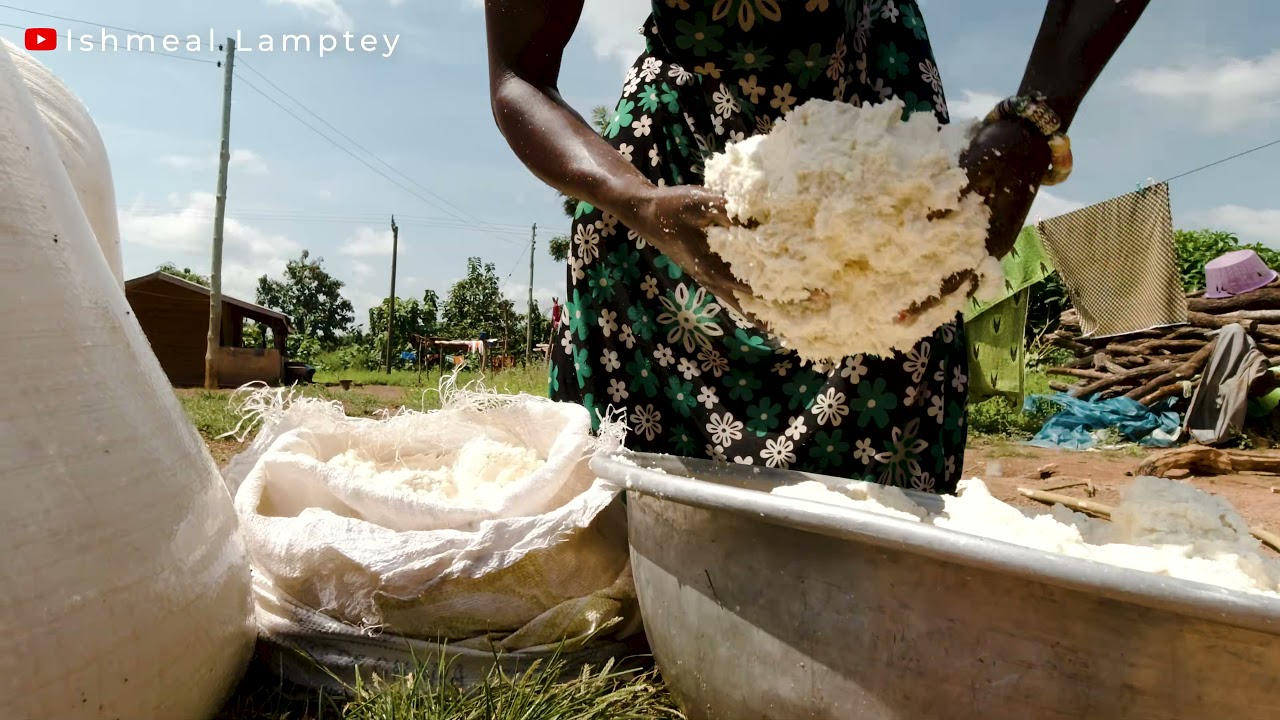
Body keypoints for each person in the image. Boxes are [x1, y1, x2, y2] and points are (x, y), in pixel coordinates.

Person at [485, 0, 1149, 494]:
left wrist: (1037, 120)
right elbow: (518, 73)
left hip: (883, 148)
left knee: (875, 523)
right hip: (669, 176)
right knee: (634, 514)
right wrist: (637, 203)